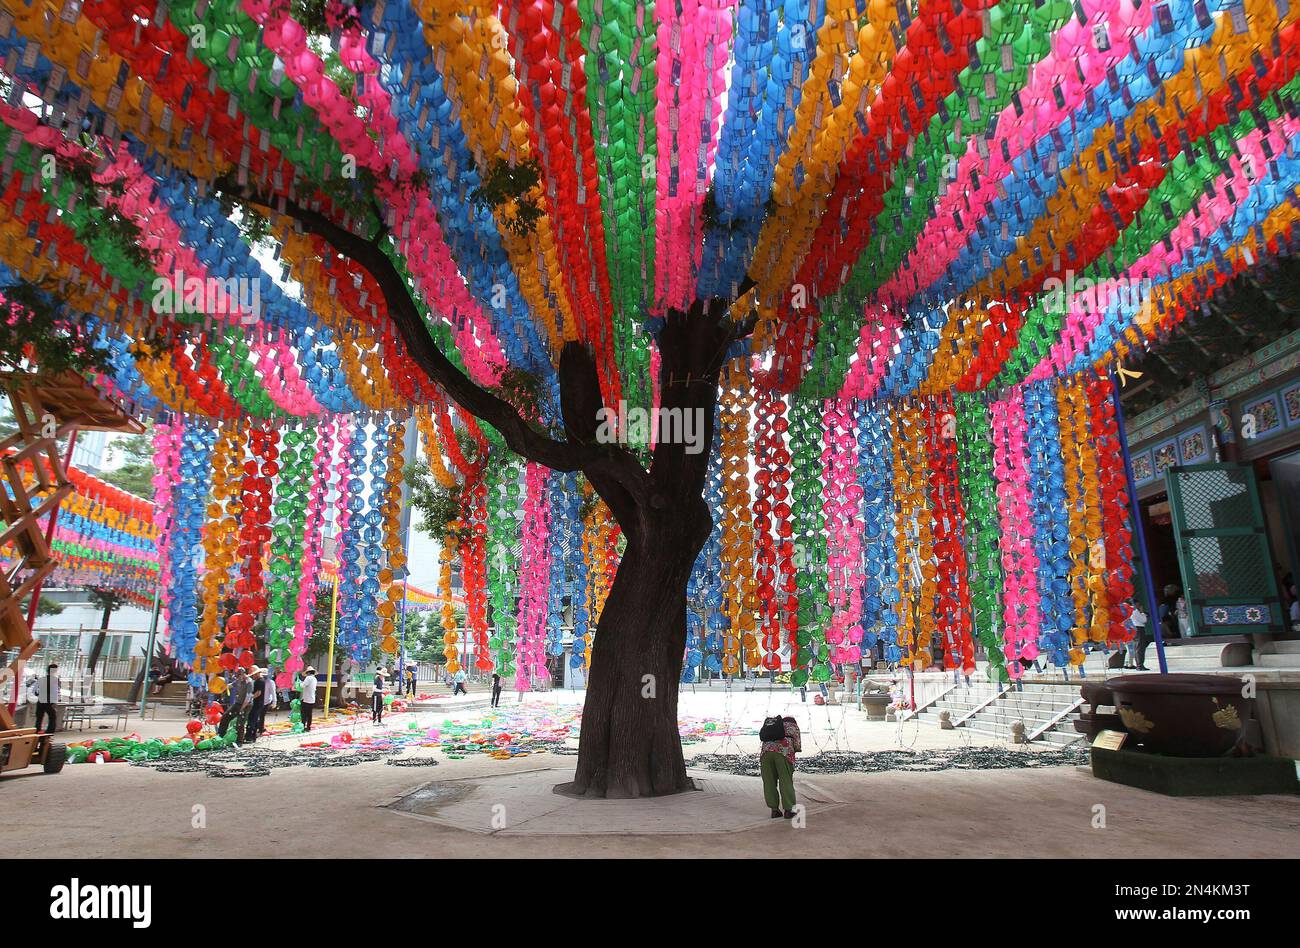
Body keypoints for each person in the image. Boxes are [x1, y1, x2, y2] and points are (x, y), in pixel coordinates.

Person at [759, 714, 802, 819]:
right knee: (785, 781)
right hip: (783, 754)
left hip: (765, 754)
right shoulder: (793, 726)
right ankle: (789, 810)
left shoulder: (773, 725)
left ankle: (774, 810)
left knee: (769, 782)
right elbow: (797, 746)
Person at [218, 668, 252, 743]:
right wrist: (220, 687)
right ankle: (220, 735)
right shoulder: (238, 681)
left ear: (243, 674)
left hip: (246, 704)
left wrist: (242, 708)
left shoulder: (248, 682)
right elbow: (230, 686)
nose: (237, 677)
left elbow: (248, 697)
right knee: (225, 717)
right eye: (236, 676)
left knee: (240, 723)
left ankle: (239, 740)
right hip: (237, 703)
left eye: (238, 675)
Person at [31, 661, 61, 733]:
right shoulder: (56, 680)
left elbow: (34, 691)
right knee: (52, 717)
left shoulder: (41, 679)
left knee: (39, 718)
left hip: (41, 701)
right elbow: (56, 692)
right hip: (49, 701)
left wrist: (39, 695)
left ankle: (37, 731)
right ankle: (49, 732)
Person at [244, 667, 268, 743]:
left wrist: (250, 698)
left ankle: (250, 736)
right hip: (258, 702)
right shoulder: (259, 680)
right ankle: (252, 735)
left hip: (257, 702)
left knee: (252, 719)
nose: (253, 676)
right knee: (254, 719)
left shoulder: (260, 681)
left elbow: (258, 692)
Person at [299, 666, 318, 732]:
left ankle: (303, 725)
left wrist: (300, 682)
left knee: (304, 714)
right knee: (309, 714)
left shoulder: (308, 678)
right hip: (312, 699)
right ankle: (308, 727)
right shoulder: (314, 679)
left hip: (306, 698)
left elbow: (302, 686)